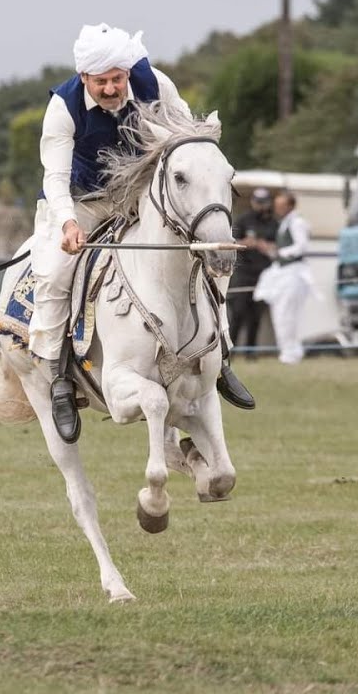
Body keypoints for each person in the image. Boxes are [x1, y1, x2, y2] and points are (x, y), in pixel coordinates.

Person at [32, 22, 255, 443]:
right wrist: (67, 224)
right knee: (55, 272)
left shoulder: (157, 84)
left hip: (146, 193)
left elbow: (189, 139)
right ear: (84, 78)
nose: (113, 89)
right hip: (87, 200)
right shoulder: (62, 107)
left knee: (213, 254)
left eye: (118, 79)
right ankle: (59, 377)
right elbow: (55, 177)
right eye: (102, 83)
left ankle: (219, 358)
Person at [252, 191, 314, 365]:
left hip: (293, 273)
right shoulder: (285, 223)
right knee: (281, 313)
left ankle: (291, 352)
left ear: (290, 206)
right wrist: (272, 249)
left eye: (281, 205)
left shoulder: (297, 222)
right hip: (283, 271)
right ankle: (287, 351)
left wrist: (280, 252)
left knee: (287, 314)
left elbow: (301, 247)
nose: (277, 209)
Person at [227, 187, 279, 359]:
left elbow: (279, 246)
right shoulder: (243, 220)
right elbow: (231, 241)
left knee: (255, 316)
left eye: (263, 203)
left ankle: (251, 353)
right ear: (253, 202)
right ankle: (231, 352)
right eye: (258, 202)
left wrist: (266, 246)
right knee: (238, 314)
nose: (260, 206)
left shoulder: (273, 224)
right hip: (243, 274)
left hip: (263, 275)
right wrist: (246, 243)